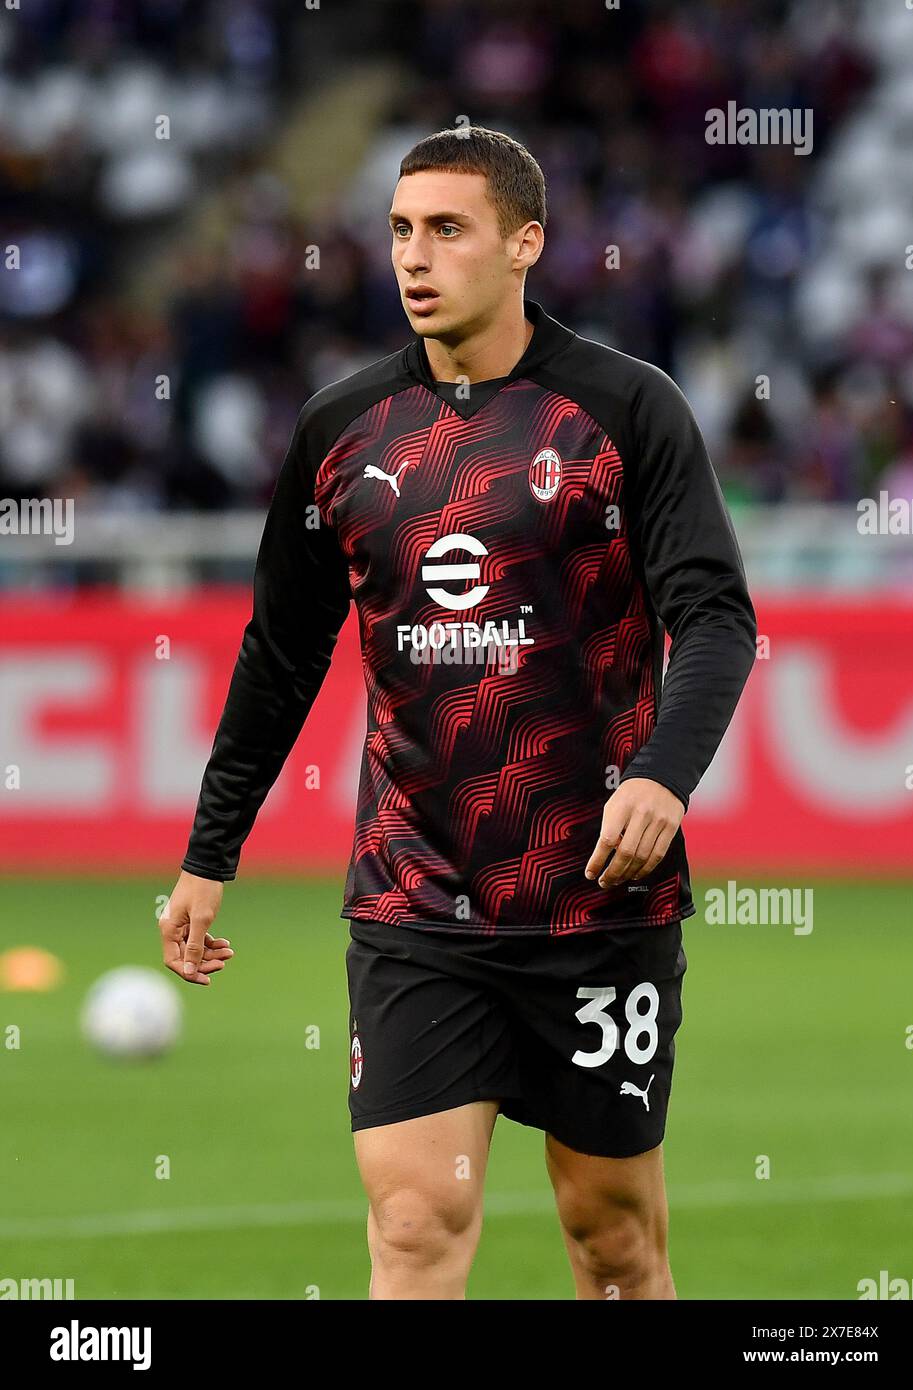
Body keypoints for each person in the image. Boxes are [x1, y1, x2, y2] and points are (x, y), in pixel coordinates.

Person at [159, 126, 757, 1300]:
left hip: (596, 894)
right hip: (413, 892)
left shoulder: (628, 412)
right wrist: (207, 850)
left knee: (613, 1242)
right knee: (418, 1224)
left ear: (524, 243)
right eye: (398, 231)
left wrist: (661, 775)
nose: (413, 257)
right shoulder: (341, 429)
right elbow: (281, 651)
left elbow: (718, 617)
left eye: (447, 229)